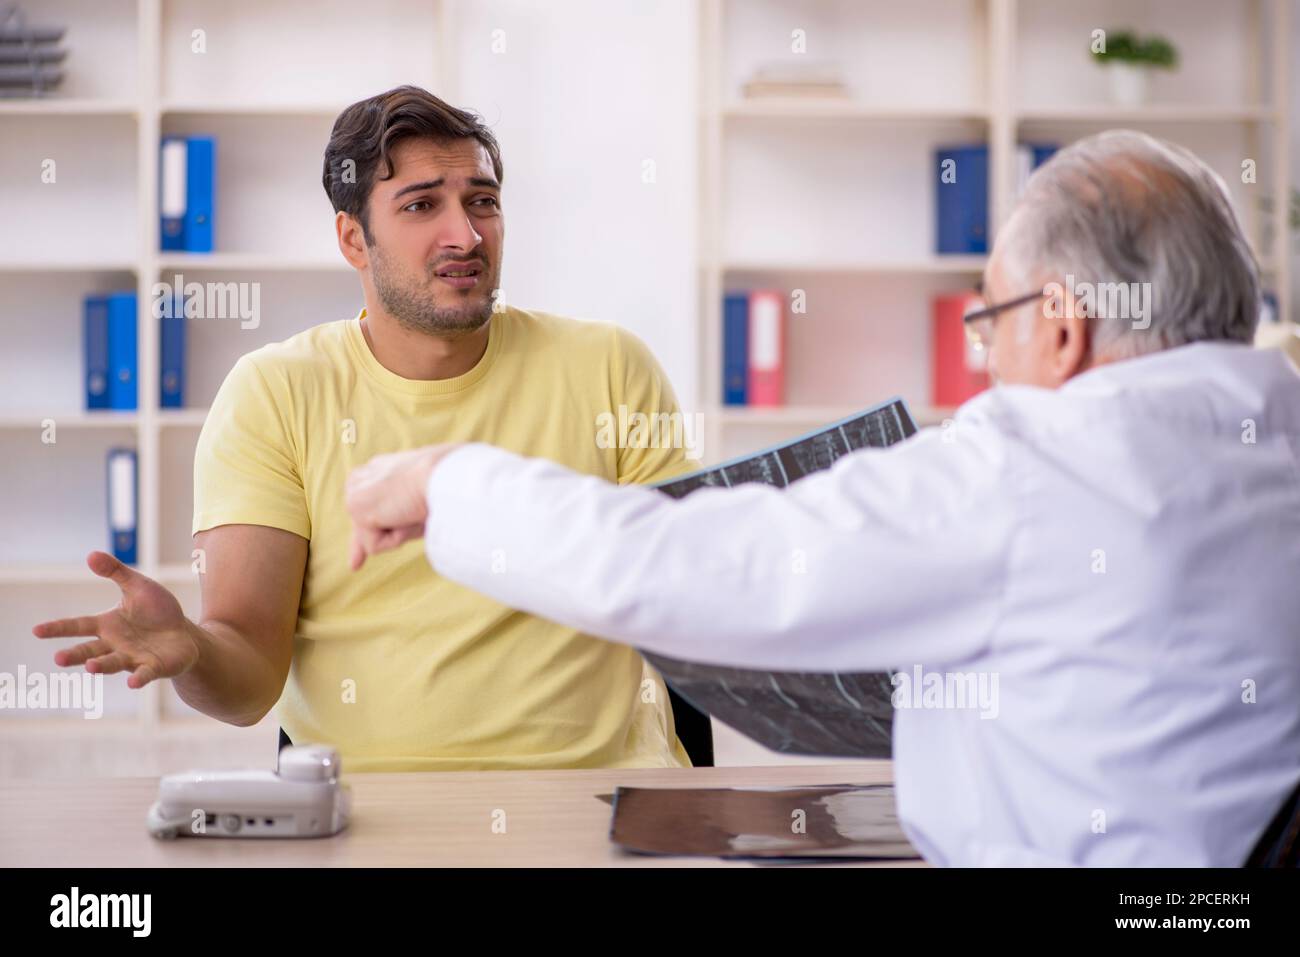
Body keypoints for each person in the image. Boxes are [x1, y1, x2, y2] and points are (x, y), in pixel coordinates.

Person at [344, 130, 1300, 865]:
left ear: (1060, 328)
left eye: (990, 320)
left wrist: (444, 479)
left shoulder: (1034, 467)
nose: (982, 355)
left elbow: (686, 568)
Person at [33, 85, 699, 772]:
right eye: (421, 205)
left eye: (483, 201)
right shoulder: (275, 393)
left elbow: (684, 589)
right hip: (368, 817)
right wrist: (194, 652)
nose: (465, 236)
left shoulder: (609, 366)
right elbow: (249, 675)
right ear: (354, 237)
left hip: (597, 801)